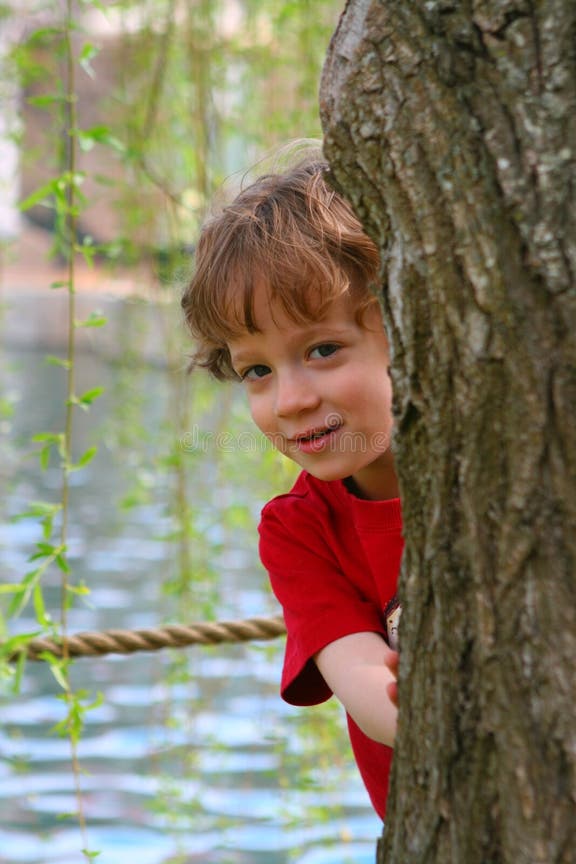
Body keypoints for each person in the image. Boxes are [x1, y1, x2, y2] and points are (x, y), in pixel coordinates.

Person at [181, 149, 402, 821]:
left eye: (321, 350)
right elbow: (381, 706)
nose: (290, 401)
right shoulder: (299, 531)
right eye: (257, 371)